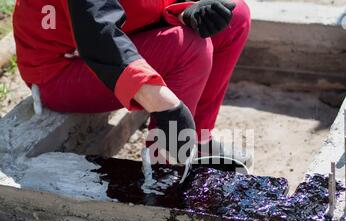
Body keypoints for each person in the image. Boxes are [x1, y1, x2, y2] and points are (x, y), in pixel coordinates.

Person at [13, 0, 251, 164]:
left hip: (119, 34)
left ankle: (197, 140)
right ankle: (163, 169)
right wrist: (162, 103)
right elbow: (98, 33)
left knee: (234, 16)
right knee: (189, 46)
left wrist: (185, 10)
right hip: (62, 69)